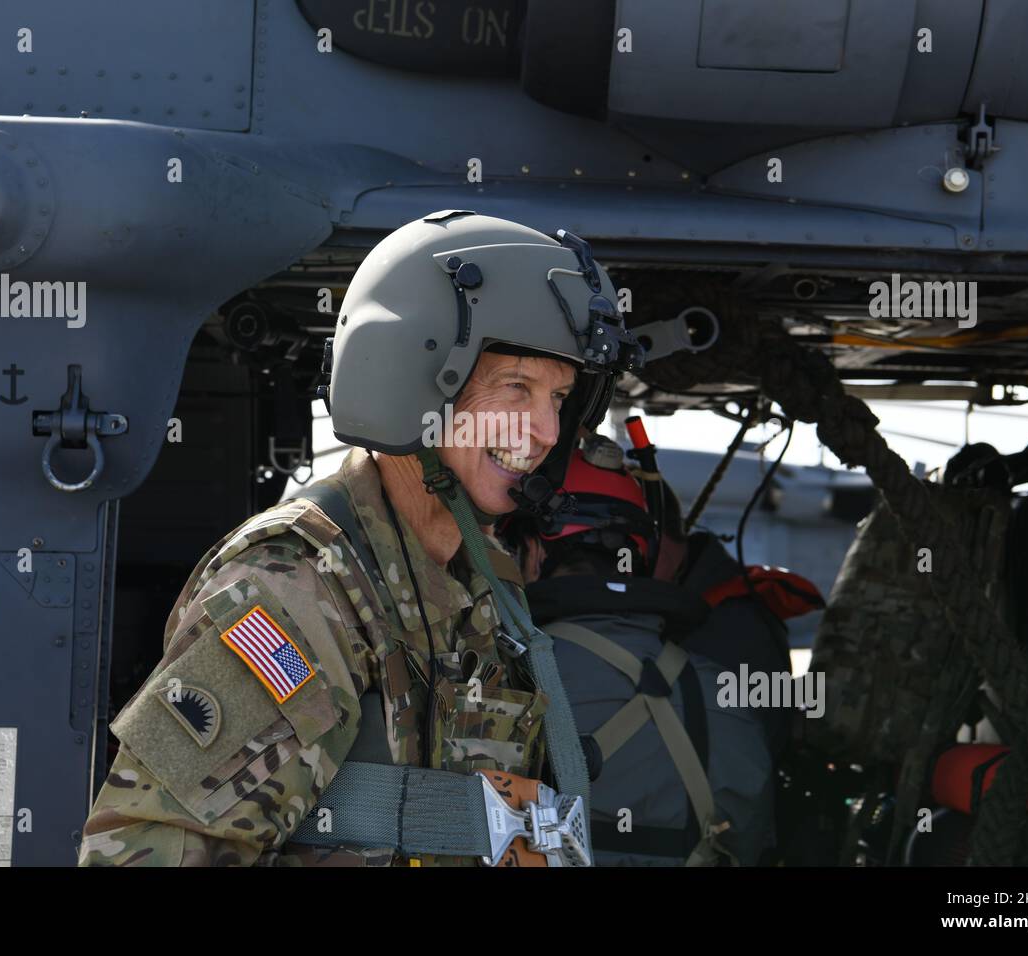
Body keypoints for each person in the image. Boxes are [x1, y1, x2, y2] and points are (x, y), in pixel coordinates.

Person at [78, 209, 642, 866]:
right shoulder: (297, 594)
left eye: (559, 397)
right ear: (409, 382)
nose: (544, 429)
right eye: (516, 387)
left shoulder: (481, 578)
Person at [513, 433, 817, 864]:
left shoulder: (503, 681)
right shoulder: (723, 695)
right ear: (645, 554)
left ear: (534, 551)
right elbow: (748, 844)